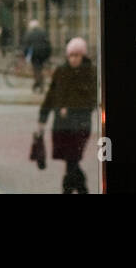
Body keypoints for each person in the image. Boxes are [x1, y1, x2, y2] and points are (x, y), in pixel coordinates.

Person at [40, 37, 97, 194]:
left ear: (83, 56)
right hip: (62, 125)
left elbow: (91, 99)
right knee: (71, 161)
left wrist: (71, 110)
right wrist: (42, 119)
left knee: (72, 160)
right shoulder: (61, 71)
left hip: (80, 125)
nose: (73, 59)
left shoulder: (90, 72)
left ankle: (67, 190)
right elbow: (51, 95)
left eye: (77, 55)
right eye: (71, 55)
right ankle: (82, 189)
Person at [23, 19, 52, 93]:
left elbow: (26, 46)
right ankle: (39, 83)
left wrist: (26, 55)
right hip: (43, 54)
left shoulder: (29, 34)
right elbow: (48, 44)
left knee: (36, 69)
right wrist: (48, 54)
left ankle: (38, 83)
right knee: (40, 68)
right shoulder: (43, 32)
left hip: (35, 54)